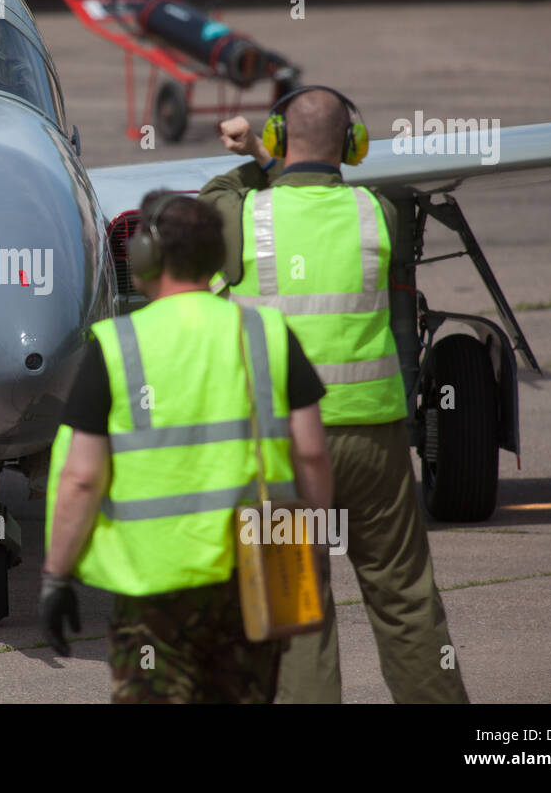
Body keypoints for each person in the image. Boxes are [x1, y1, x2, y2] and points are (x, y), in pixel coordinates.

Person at [201, 86, 470, 704]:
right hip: (374, 444)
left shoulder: (242, 214)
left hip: (279, 450)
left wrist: (254, 156)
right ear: (353, 147)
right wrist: (281, 158)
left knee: (296, 616)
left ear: (274, 139)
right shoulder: (380, 215)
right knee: (406, 599)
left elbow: (222, 191)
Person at [40, 191, 333, 703]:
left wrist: (56, 577)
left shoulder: (115, 347)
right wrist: (311, 545)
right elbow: (310, 451)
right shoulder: (267, 332)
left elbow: (81, 478)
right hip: (255, 578)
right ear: (217, 257)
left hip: (155, 586)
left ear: (145, 259)